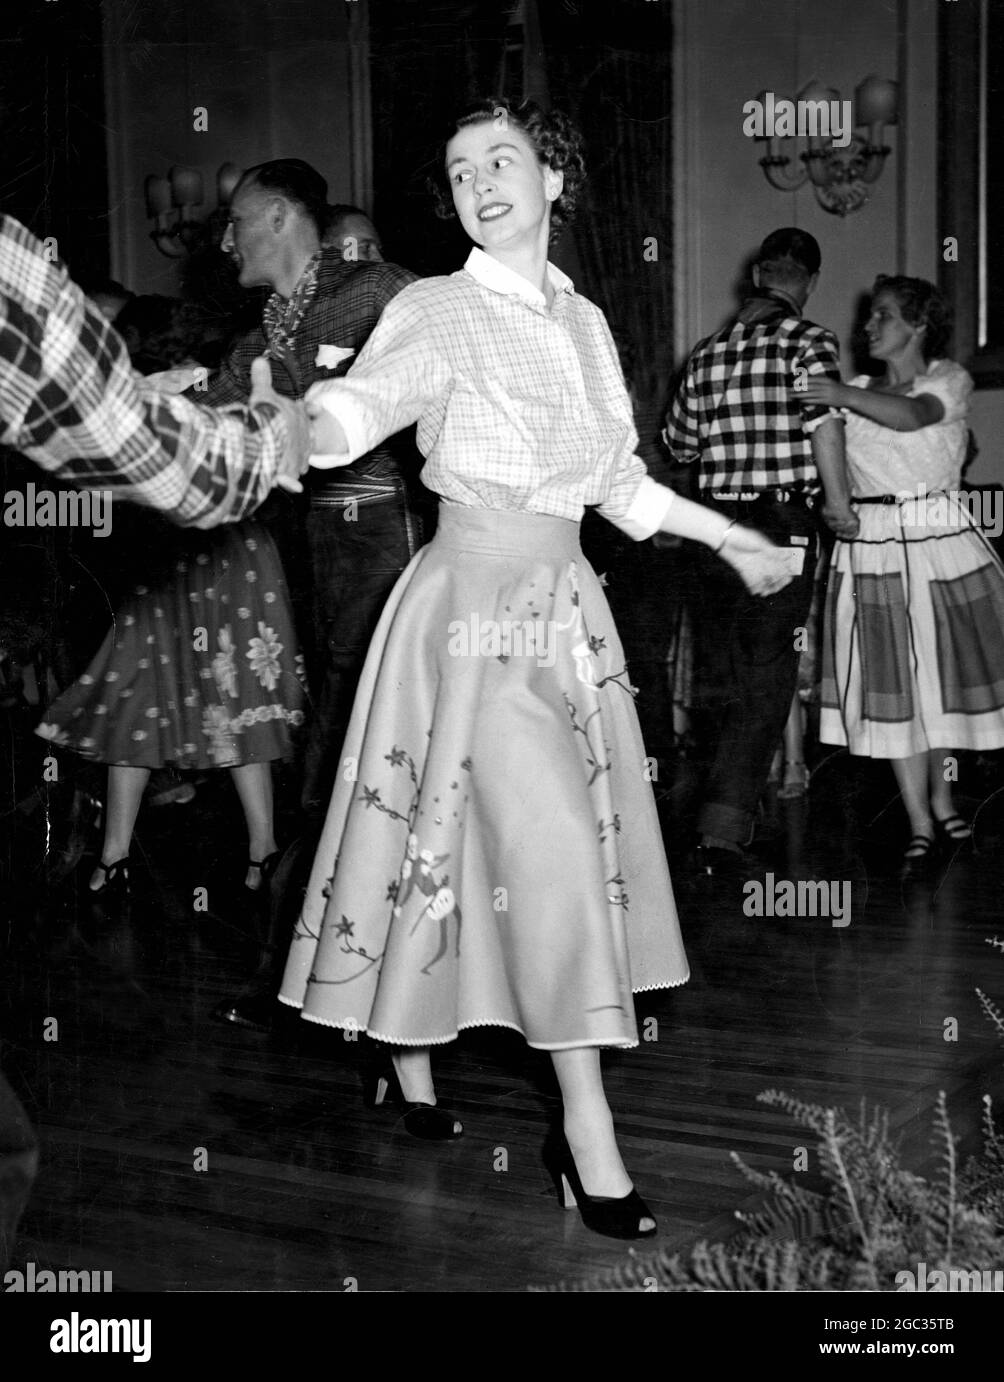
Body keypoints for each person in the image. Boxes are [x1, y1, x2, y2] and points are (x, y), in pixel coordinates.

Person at [277, 98, 795, 1241]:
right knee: (493, 845)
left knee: (472, 843)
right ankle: (579, 1128)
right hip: (466, 605)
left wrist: (734, 538)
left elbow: (618, 483)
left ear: (554, 180)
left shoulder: (585, 323)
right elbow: (366, 403)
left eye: (502, 160)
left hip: (562, 612)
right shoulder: (436, 306)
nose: (481, 181)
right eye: (460, 170)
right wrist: (298, 423)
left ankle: (412, 1053)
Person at [35, 295, 306, 896]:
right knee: (175, 690)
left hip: (205, 555)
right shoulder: (170, 394)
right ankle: (159, 854)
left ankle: (145, 856)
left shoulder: (168, 395)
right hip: (194, 557)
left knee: (189, 692)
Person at [184, 162, 427, 815]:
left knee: (374, 688)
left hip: (387, 524)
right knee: (331, 688)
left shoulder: (375, 287)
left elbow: (459, 352)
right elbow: (208, 423)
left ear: (278, 216)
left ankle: (344, 843)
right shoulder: (263, 338)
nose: (227, 242)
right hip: (311, 535)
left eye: (236, 223)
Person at [662, 228, 859, 876]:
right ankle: (722, 828)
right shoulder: (809, 340)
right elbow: (823, 422)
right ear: (805, 282)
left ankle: (721, 812)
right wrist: (837, 503)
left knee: (730, 673)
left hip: (718, 528)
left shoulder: (708, 351)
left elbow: (680, 445)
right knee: (769, 675)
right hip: (784, 520)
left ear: (757, 279)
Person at [802, 275, 1004, 878]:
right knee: (892, 688)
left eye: (884, 315)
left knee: (937, 684)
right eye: (870, 315)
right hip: (874, 549)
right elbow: (826, 445)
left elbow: (914, 417)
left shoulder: (947, 379)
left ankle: (942, 801)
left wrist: (836, 392)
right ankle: (918, 819)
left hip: (940, 543)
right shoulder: (852, 391)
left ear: (918, 326)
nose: (869, 325)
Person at [0, 214, 309, 527]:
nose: (105, 347)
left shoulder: (201, 375)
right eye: (96, 332)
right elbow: (117, 433)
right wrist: (275, 436)